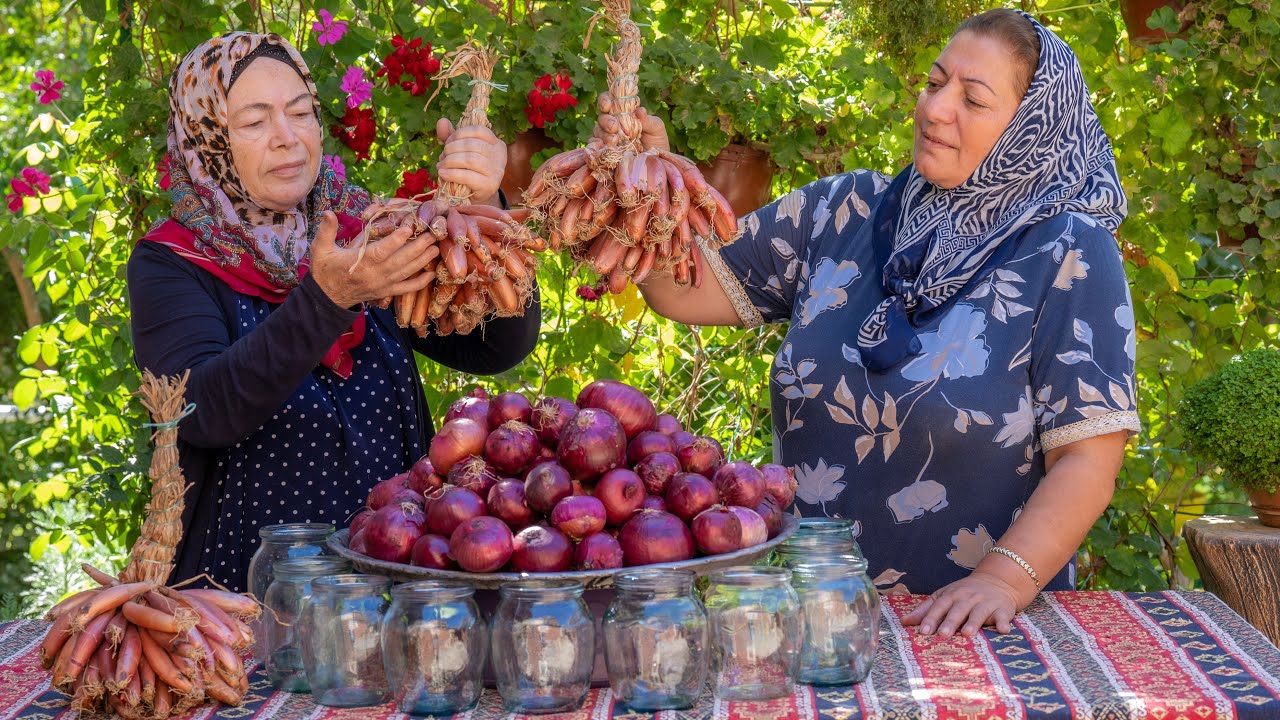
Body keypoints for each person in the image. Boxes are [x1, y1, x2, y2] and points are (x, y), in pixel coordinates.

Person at [634, 9, 1138, 637]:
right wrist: (647, 189)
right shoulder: (845, 210)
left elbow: (1088, 459)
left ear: (1031, 132)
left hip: (970, 633)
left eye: (972, 98)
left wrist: (1001, 580)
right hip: (808, 622)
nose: (937, 108)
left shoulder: (1067, 250)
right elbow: (684, 293)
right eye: (935, 83)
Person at [127, 32, 540, 592]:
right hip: (243, 600)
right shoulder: (174, 261)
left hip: (391, 579)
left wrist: (486, 206)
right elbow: (202, 412)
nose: (287, 138)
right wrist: (327, 300)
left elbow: (492, 346)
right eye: (254, 123)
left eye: (301, 112)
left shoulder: (360, 230)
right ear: (208, 141)